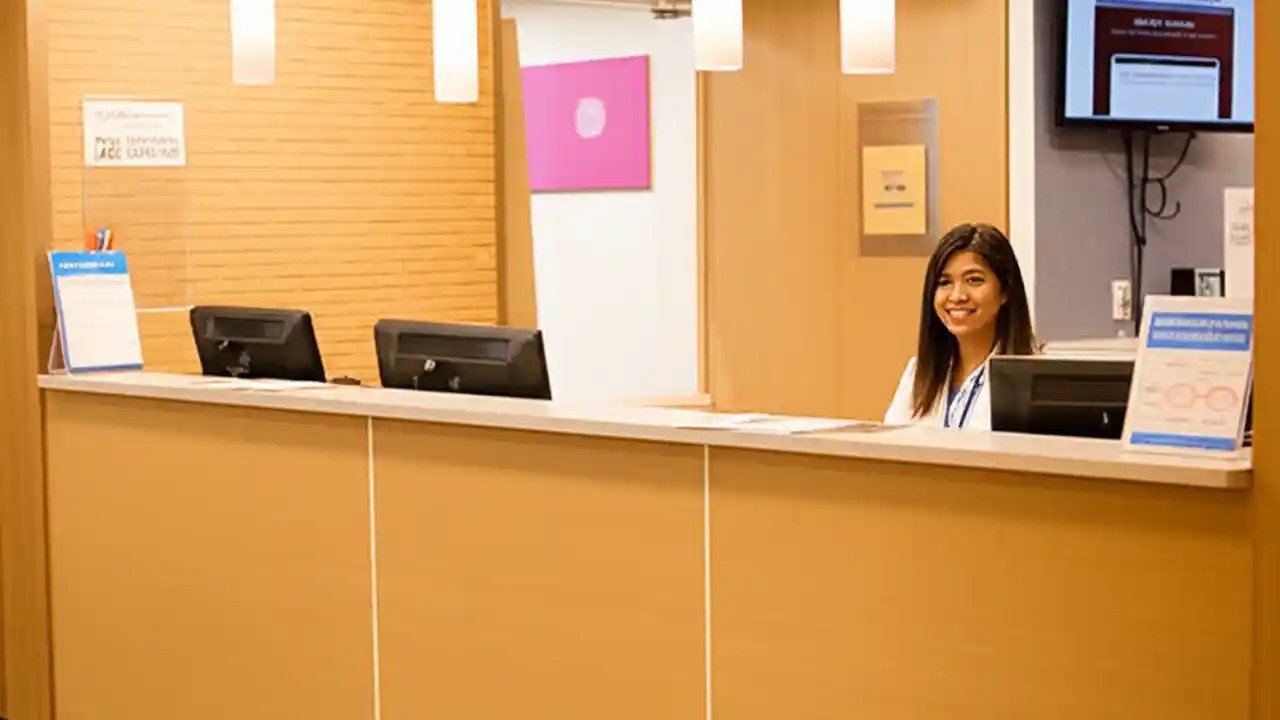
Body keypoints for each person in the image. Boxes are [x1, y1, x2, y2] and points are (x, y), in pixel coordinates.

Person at [884, 223, 1037, 430]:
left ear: (1005, 291)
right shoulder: (918, 372)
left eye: (974, 280)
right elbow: (892, 451)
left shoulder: (1034, 379)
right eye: (945, 283)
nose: (957, 296)